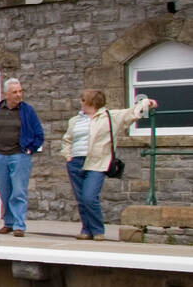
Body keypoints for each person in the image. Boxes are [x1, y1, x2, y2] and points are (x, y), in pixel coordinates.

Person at [60, 90, 158, 240]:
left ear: (92, 102)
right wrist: (67, 155)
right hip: (75, 162)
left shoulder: (110, 117)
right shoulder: (75, 120)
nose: (80, 102)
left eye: (83, 100)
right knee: (81, 199)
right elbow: (67, 139)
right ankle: (86, 230)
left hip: (97, 162)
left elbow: (131, 113)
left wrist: (147, 103)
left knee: (89, 197)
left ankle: (98, 230)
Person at [0, 77, 45, 237]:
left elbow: (39, 134)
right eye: (14, 92)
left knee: (18, 191)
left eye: (20, 91)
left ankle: (19, 225)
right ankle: (8, 222)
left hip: (19, 155)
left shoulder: (27, 111)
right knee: (4, 191)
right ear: (6, 94)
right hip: (0, 155)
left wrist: (30, 149)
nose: (18, 95)